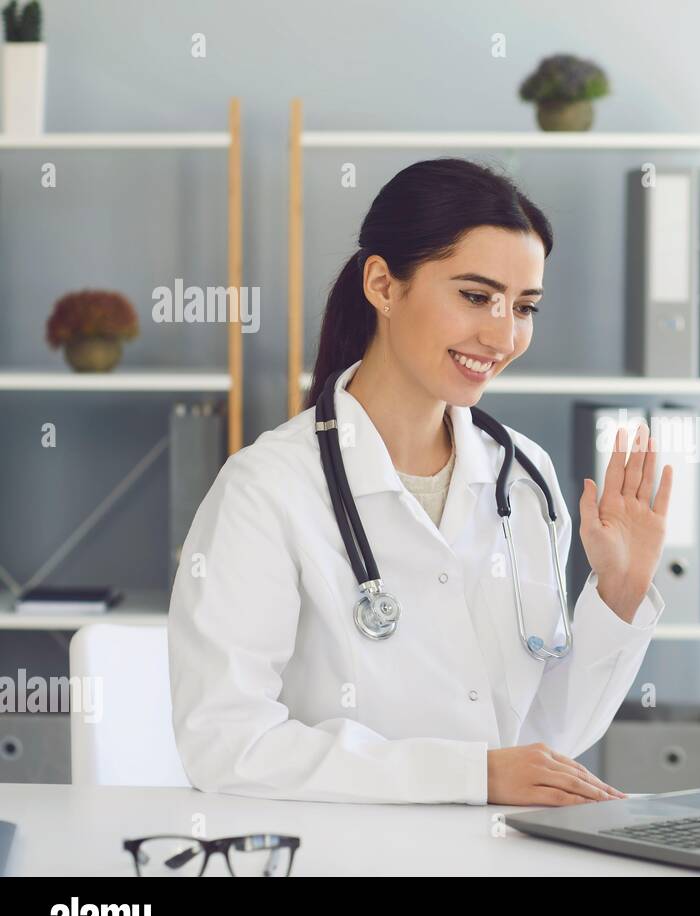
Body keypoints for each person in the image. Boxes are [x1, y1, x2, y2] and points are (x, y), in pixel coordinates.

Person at [167, 158, 672, 806]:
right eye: (475, 295)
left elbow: (546, 737)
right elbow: (225, 742)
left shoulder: (526, 481)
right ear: (382, 283)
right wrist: (470, 776)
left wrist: (621, 592)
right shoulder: (266, 489)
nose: (503, 333)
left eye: (525, 306)